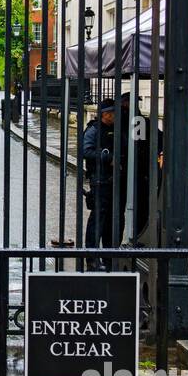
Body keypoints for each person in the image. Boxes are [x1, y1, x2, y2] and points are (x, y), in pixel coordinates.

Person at [81, 97, 124, 263]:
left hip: (114, 180)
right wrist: (108, 158)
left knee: (112, 219)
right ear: (104, 114)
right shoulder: (94, 130)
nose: (114, 116)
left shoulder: (115, 129)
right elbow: (85, 151)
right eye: (112, 113)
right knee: (98, 218)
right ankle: (91, 255)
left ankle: (109, 255)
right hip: (100, 180)